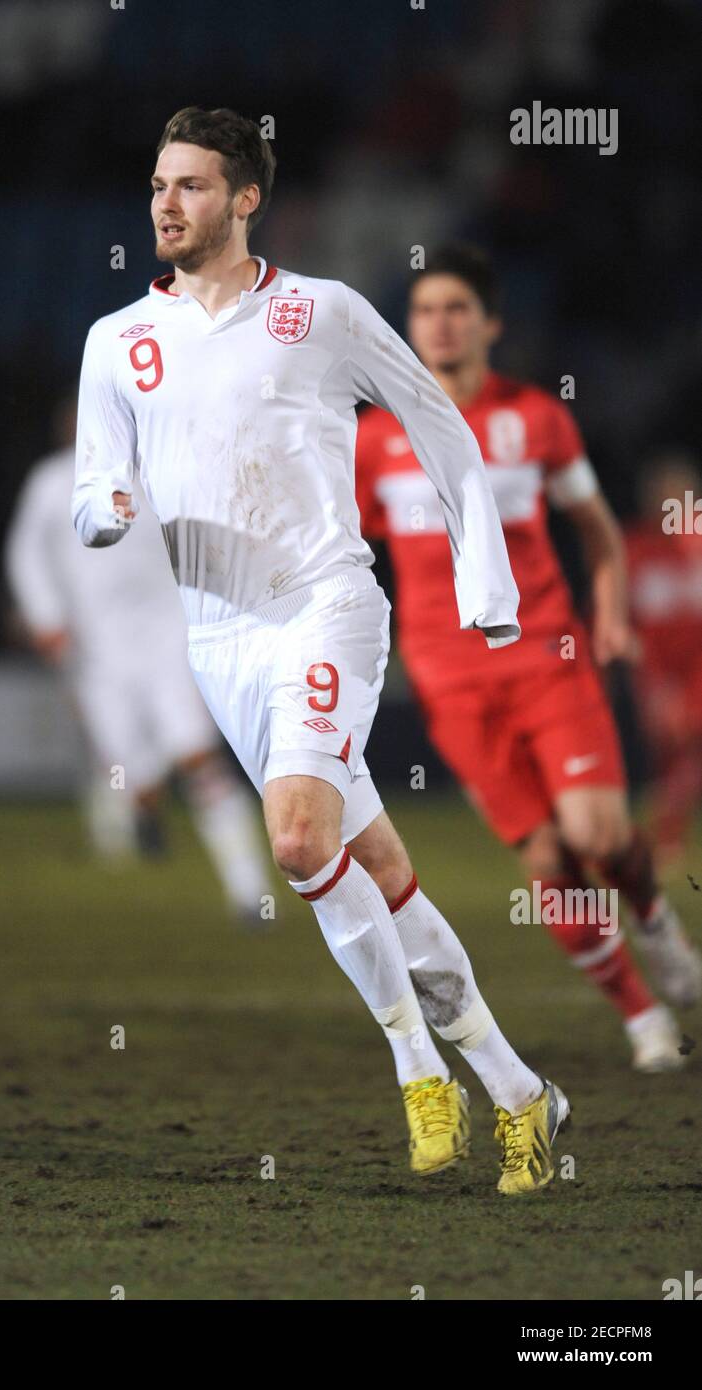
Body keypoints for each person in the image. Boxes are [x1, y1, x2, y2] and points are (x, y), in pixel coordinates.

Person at [72, 106, 570, 1194]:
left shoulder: (321, 313)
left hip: (323, 604)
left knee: (299, 842)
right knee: (375, 870)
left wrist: (487, 585)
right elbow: (92, 484)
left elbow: (438, 422)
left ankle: (412, 1067)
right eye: (159, 183)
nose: (166, 202)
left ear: (245, 198)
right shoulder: (116, 342)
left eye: (192, 184)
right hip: (218, 640)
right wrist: (104, 507)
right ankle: (520, 1087)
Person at [355, 243, 701, 1073]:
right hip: (449, 681)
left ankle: (652, 919)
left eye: (455, 309)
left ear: (490, 325)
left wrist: (610, 614)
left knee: (598, 834)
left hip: (547, 659)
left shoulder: (536, 420)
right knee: (547, 858)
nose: (438, 325)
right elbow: (346, 548)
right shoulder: (373, 438)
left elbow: (597, 533)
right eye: (425, 311)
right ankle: (642, 1015)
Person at [5, 396, 273, 925]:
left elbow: (208, 542)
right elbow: (25, 553)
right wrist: (46, 618)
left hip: (168, 639)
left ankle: (250, 894)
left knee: (197, 755)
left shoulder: (161, 473)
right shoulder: (50, 484)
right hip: (96, 651)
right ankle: (146, 807)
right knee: (129, 772)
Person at [624, 450, 702, 868]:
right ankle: (666, 834)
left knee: (690, 748)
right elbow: (622, 618)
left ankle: (667, 834)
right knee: (670, 754)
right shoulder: (636, 549)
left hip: (698, 670)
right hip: (655, 673)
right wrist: (651, 681)